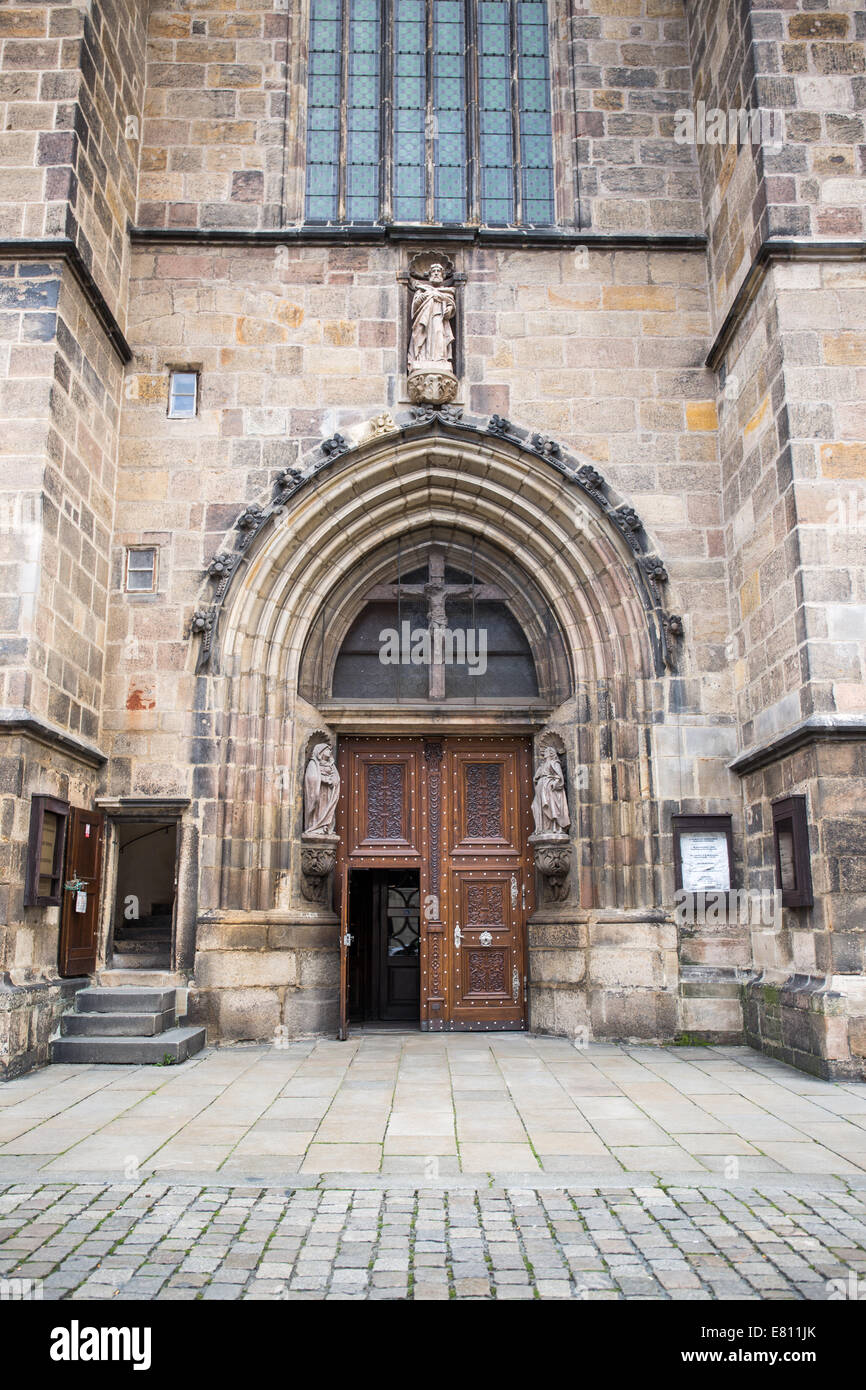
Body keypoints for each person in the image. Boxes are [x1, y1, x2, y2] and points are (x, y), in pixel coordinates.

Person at [408, 263, 456, 373]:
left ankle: (440, 359)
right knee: (425, 336)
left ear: (443, 276)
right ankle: (422, 357)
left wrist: (449, 309)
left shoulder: (447, 292)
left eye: (438, 271)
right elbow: (415, 306)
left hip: (439, 318)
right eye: (433, 271)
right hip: (425, 319)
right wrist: (423, 297)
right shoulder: (422, 290)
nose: (436, 273)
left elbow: (451, 304)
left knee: (439, 335)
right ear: (429, 276)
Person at [531, 745, 570, 836]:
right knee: (535, 806)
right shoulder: (542, 765)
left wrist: (554, 782)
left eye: (546, 751)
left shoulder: (554, 763)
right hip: (541, 788)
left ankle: (555, 827)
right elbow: (536, 778)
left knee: (553, 807)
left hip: (551, 789)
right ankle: (543, 828)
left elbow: (559, 777)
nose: (544, 753)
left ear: (551, 753)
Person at [303, 743, 340, 836]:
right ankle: (315, 827)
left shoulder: (331, 765)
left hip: (328, 793)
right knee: (319, 808)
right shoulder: (314, 764)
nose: (330, 752)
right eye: (327, 750)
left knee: (326, 808)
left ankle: (325, 826)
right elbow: (311, 778)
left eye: (330, 750)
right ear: (320, 752)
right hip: (318, 791)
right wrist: (324, 780)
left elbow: (336, 778)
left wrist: (332, 781)